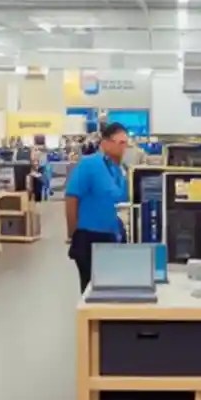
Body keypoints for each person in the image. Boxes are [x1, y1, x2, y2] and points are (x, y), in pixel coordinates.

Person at [66, 123, 129, 291]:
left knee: (112, 289)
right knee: (91, 290)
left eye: (126, 143)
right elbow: (72, 198)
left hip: (115, 238)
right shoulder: (89, 165)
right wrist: (73, 234)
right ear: (106, 143)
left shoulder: (119, 170)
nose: (125, 148)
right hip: (90, 238)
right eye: (120, 143)